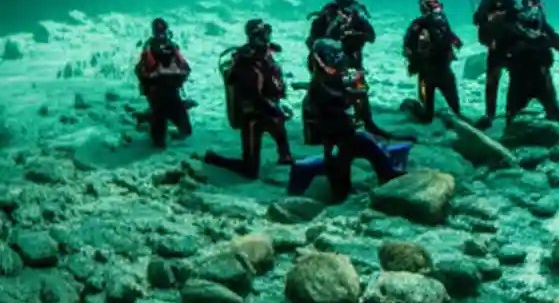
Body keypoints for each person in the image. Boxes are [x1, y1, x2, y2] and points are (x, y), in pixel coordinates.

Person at [301, 38, 409, 202]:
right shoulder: (318, 86)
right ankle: (340, 194)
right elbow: (330, 104)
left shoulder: (341, 76)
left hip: (348, 133)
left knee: (371, 147)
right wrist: (350, 95)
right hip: (333, 137)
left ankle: (387, 174)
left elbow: (361, 91)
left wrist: (358, 86)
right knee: (338, 169)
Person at [204, 19, 294, 179]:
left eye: (267, 35)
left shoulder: (266, 55)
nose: (266, 40)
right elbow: (253, 96)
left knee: (278, 123)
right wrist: (275, 108)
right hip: (252, 116)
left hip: (270, 108)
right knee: (250, 170)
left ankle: (284, 153)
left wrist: (277, 104)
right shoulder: (245, 63)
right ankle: (215, 160)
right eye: (262, 36)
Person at [493, 0, 559, 123]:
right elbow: (499, 56)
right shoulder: (510, 28)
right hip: (522, 78)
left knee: (554, 114)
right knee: (512, 117)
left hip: (539, 76)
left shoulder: (541, 26)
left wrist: (544, 41)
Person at [403, 0, 465, 123]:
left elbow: (447, 34)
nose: (436, 5)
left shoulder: (442, 20)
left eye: (436, 2)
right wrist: (415, 61)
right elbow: (408, 45)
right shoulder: (419, 24)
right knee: (427, 114)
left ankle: (454, 115)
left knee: (455, 107)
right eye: (432, 3)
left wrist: (455, 40)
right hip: (427, 73)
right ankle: (411, 107)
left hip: (444, 69)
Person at [134, 18, 192, 147]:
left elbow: (185, 67)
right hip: (157, 94)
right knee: (158, 140)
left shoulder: (171, 46)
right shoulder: (149, 48)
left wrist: (177, 76)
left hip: (172, 93)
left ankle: (150, 118)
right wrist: (152, 78)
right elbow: (140, 70)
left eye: (162, 31)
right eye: (158, 31)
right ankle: (149, 118)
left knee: (186, 130)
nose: (161, 34)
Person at [472, 0, 519, 129]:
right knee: (492, 81)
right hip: (496, 46)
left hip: (513, 46)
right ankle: (489, 114)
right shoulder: (488, 0)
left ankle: (511, 113)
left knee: (517, 82)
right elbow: (478, 18)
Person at [306, 0, 376, 71]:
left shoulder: (357, 17)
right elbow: (312, 40)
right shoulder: (328, 13)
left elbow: (371, 36)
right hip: (327, 62)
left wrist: (354, 34)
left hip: (351, 62)